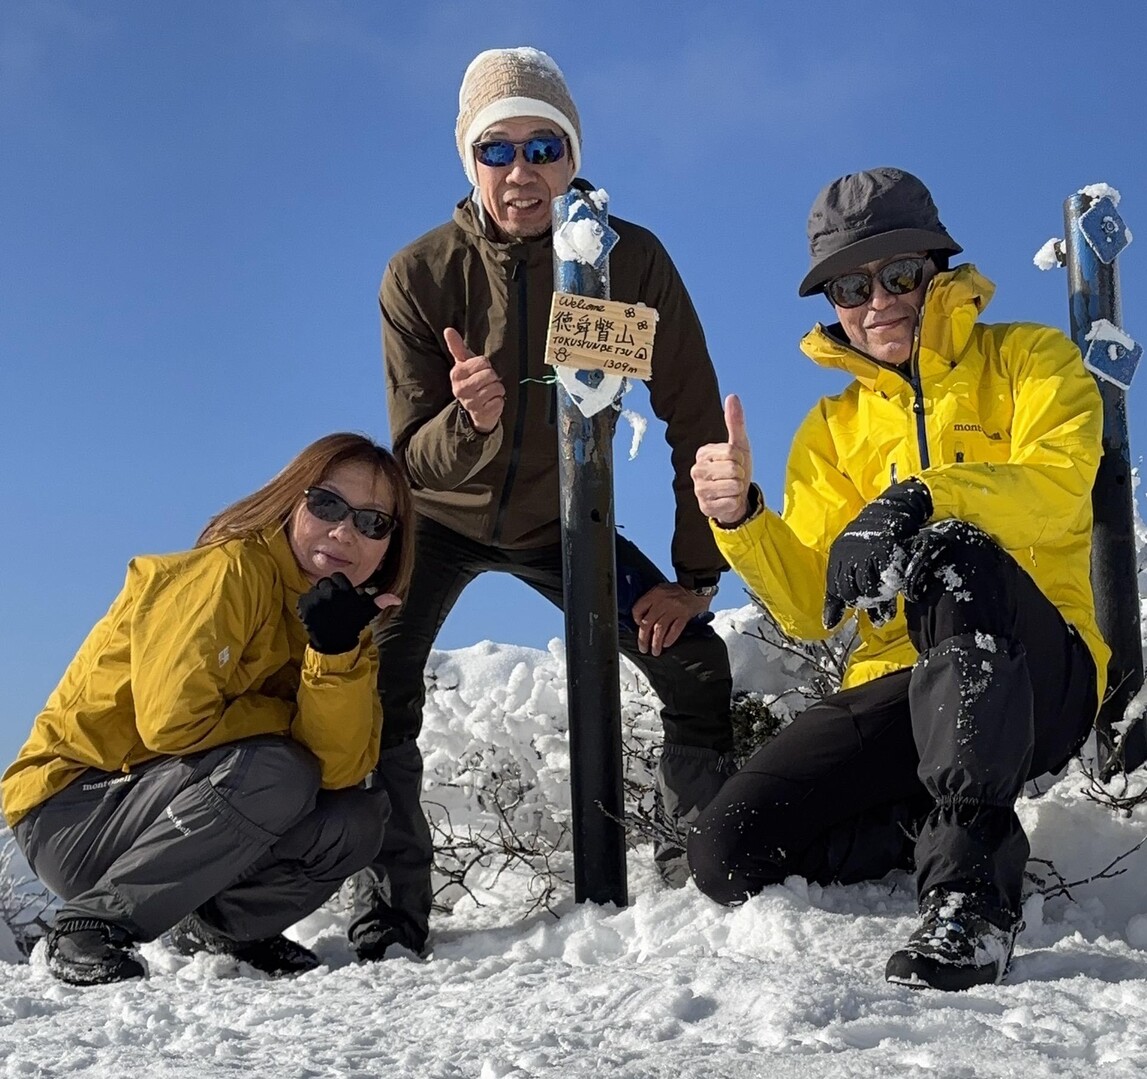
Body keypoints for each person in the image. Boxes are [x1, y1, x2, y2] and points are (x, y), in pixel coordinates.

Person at [349, 46, 735, 961]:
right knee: (372, 686)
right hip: (431, 521)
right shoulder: (418, 273)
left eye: (543, 146)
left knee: (693, 664)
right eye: (497, 150)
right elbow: (411, 454)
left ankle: (707, 878)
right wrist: (473, 418)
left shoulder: (628, 260)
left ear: (572, 154)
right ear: (469, 161)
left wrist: (694, 577)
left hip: (566, 517)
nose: (521, 173)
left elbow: (694, 415)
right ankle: (390, 911)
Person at [688, 167, 1108, 991]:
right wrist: (741, 519)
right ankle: (926, 820)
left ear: (938, 267)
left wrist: (922, 498)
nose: (876, 298)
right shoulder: (829, 430)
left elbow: (1060, 489)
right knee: (727, 852)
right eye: (849, 283)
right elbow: (813, 607)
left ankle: (969, 897)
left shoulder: (1030, 361)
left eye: (899, 273)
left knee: (953, 548)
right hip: (905, 689)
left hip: (1038, 672)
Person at [2, 432, 413, 986]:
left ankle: (222, 932)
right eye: (327, 504)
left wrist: (332, 654)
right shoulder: (227, 571)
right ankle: (89, 926)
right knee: (280, 766)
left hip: (178, 811)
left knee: (356, 818)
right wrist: (289, 723)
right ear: (292, 499)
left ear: (390, 544)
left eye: (372, 522)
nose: (343, 531)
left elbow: (341, 770)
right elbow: (174, 721)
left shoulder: (342, 621)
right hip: (74, 807)